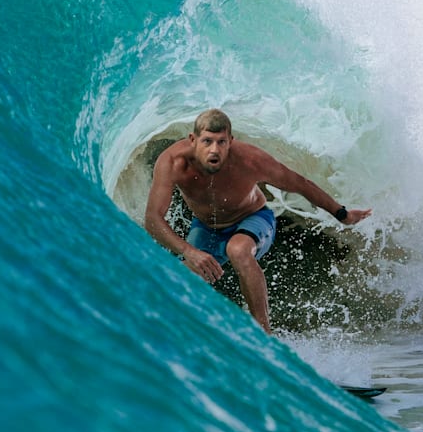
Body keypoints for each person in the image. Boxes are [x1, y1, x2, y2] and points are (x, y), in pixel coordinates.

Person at [144, 108, 372, 333]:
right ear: (193, 139)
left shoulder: (250, 160)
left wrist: (343, 215)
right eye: (207, 141)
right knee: (181, 278)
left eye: (221, 142)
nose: (214, 150)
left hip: (254, 219)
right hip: (207, 227)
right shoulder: (173, 163)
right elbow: (153, 219)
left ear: (231, 141)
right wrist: (190, 251)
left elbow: (300, 183)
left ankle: (264, 333)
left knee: (238, 250)